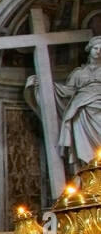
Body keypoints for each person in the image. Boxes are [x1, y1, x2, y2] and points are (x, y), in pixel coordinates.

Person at [28, 35, 101, 172]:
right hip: (81, 111)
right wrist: (46, 85)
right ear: (90, 50)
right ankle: (88, 174)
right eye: (96, 48)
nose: (99, 51)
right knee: (85, 146)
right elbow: (67, 92)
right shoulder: (79, 73)